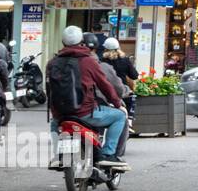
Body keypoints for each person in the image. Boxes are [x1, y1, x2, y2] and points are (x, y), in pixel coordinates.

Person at [46, 25, 127, 169]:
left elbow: (50, 89)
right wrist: (116, 102)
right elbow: (105, 85)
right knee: (119, 116)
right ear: (81, 42)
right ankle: (108, 154)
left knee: (54, 124)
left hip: (61, 115)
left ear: (63, 43)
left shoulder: (53, 63)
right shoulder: (89, 61)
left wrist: (55, 112)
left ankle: (59, 155)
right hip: (85, 113)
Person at [102, 37, 138, 120]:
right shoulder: (125, 60)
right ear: (118, 47)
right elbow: (134, 76)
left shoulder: (103, 61)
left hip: (107, 92)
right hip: (122, 91)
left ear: (105, 49)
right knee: (131, 100)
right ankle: (129, 120)